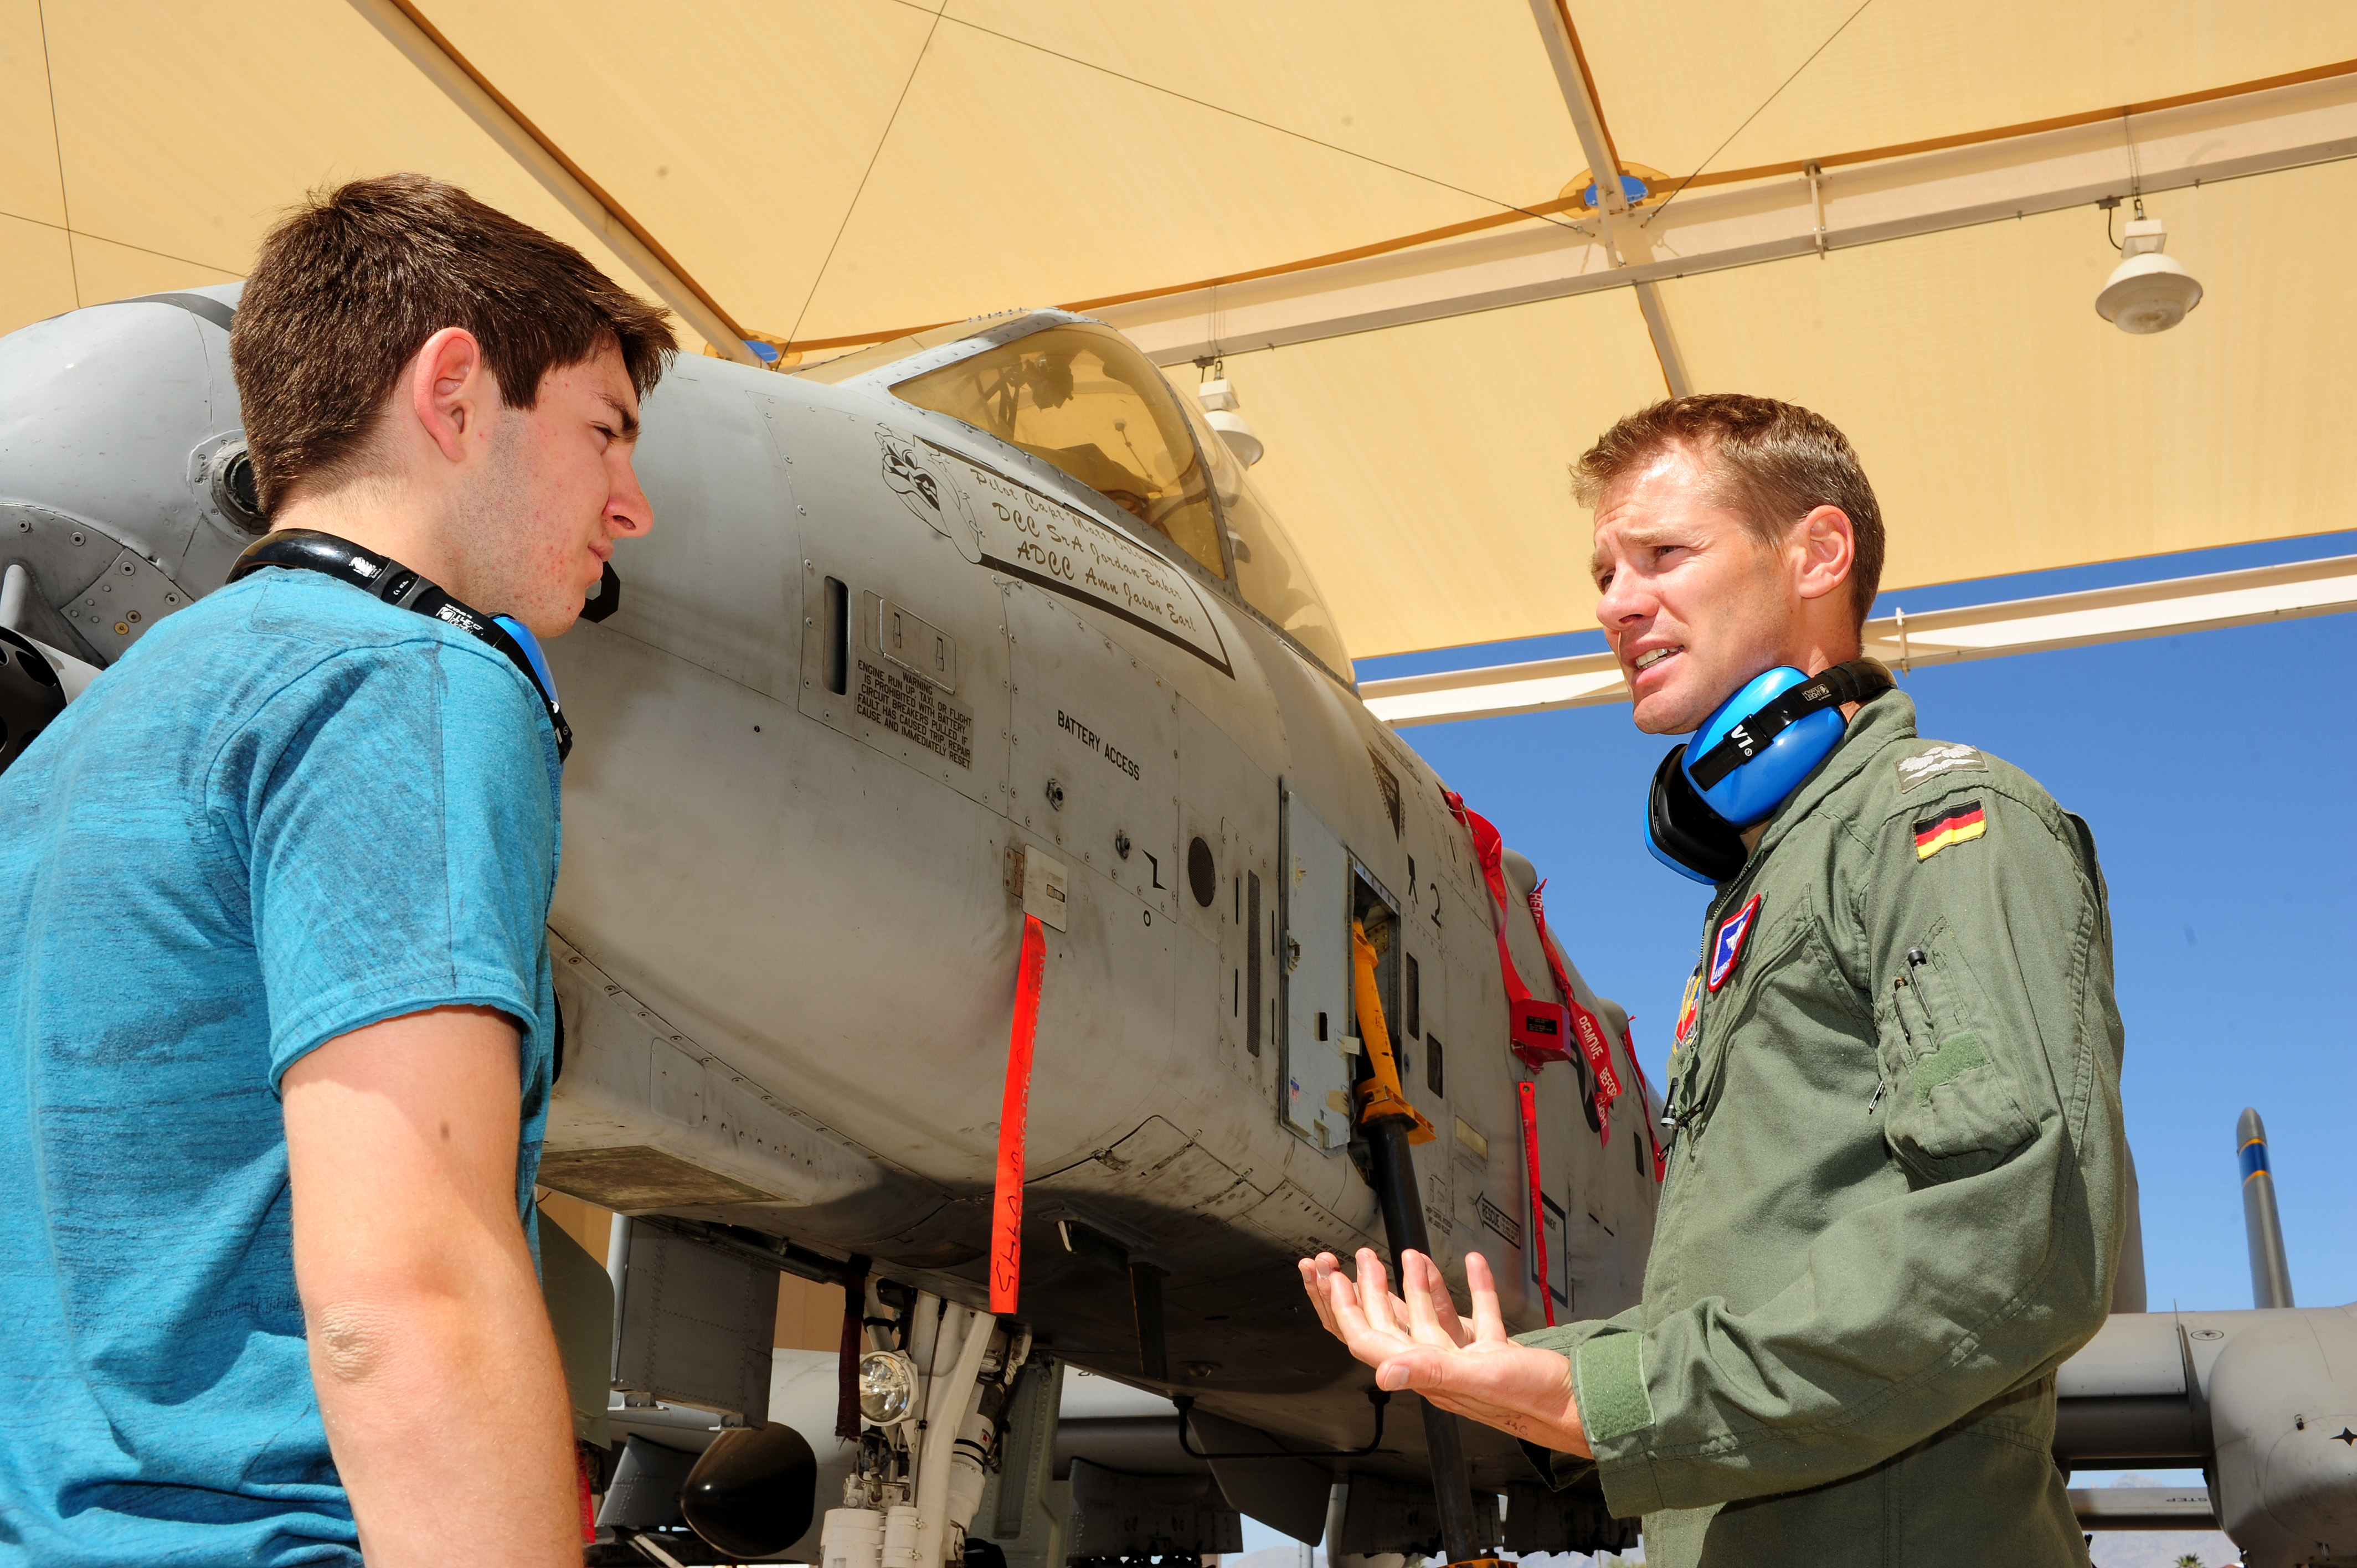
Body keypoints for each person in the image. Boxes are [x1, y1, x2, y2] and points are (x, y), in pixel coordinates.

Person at [1302, 395, 2127, 1566]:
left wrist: (1607, 1401)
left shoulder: (1937, 822)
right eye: (1601, 573)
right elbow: (1756, 1296)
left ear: (1818, 555)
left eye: (1662, 555)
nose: (1613, 604)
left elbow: (2013, 1236)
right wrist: (1522, 1368)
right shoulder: (1767, 885)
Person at [0, 174, 674, 1565]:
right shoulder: (407, 682)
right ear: (454, 393)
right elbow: (405, 1291)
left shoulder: (82, 745)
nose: (632, 506)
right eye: (606, 434)